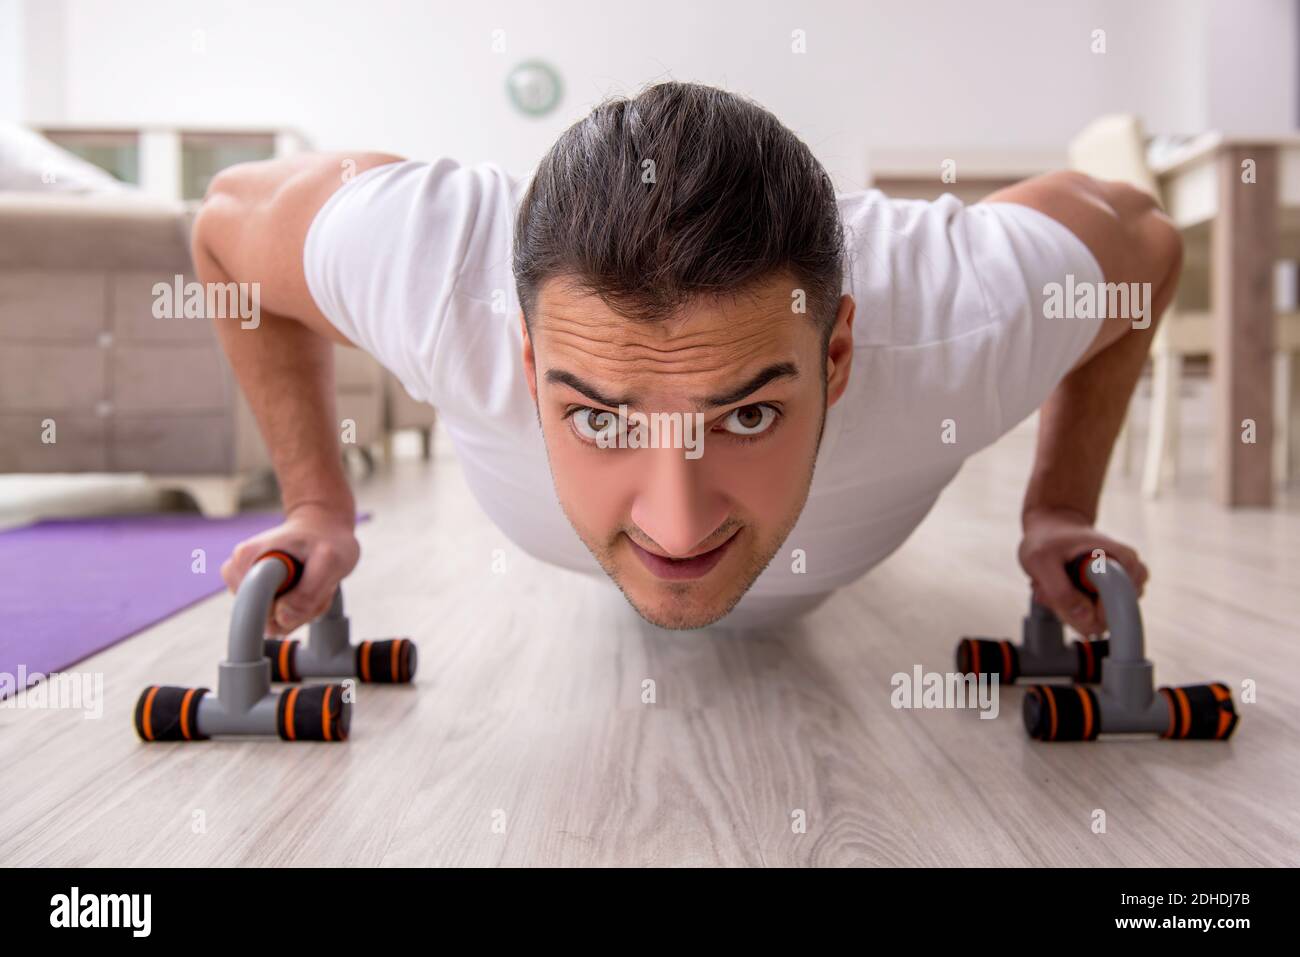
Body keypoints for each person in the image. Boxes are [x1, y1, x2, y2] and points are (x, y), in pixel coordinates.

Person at [192, 81, 1179, 634]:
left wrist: (1058, 510)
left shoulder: (954, 318)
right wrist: (316, 505)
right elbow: (227, 227)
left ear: (837, 354)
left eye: (746, 414)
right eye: (600, 418)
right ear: (527, 358)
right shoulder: (437, 277)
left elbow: (1142, 238)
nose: (675, 524)